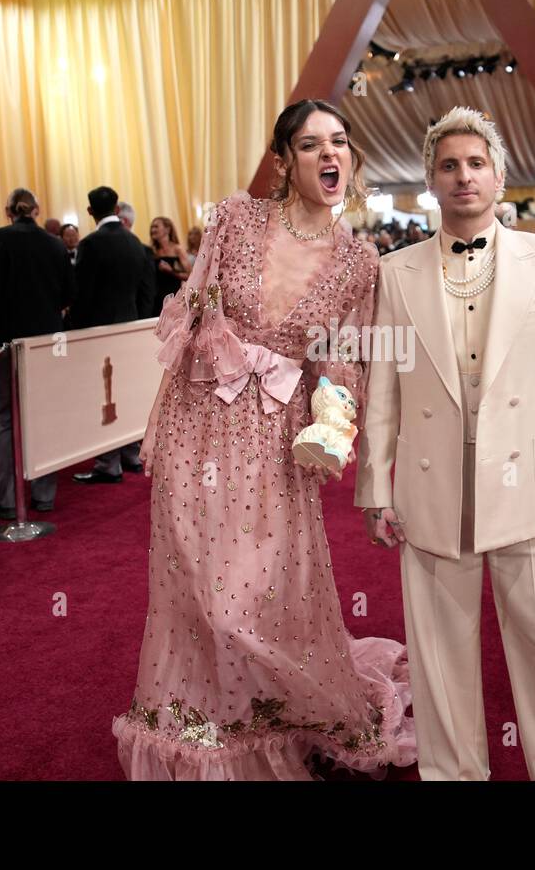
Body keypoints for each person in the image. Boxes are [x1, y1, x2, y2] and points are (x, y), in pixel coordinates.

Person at [113, 98, 417, 780]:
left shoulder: (358, 261)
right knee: (199, 593)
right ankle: (203, 727)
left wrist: (331, 426)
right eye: (310, 145)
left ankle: (276, 713)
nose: (329, 154)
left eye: (339, 141)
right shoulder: (236, 218)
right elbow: (191, 310)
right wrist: (220, 347)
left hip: (278, 441)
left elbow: (343, 359)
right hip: (203, 421)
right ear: (285, 161)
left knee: (258, 595)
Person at [357, 107, 535, 781]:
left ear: (498, 176)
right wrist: (376, 487)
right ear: (431, 182)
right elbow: (383, 390)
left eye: (475, 163)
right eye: (448, 165)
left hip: (523, 484)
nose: (463, 176)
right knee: (439, 658)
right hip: (432, 487)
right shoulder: (394, 271)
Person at [0, 188, 74, 519]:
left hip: (5, 343)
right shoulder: (55, 243)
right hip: (46, 344)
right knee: (43, 416)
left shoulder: (0, 240)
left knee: (5, 419)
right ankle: (45, 493)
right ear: (37, 210)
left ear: (8, 211)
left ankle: (8, 497)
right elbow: (67, 294)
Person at [68, 186, 154, 484]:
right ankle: (130, 453)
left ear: (90, 211)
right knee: (127, 391)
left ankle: (107, 462)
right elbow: (147, 292)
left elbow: (82, 294)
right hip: (130, 327)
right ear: (117, 209)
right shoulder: (136, 243)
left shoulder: (90, 244)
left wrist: (73, 331)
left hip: (98, 331)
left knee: (103, 394)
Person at [148, 216, 191, 316]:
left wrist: (171, 271)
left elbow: (190, 275)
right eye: (152, 227)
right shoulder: (151, 251)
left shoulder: (177, 250)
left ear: (167, 229)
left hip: (173, 299)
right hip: (156, 300)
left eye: (156, 227)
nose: (152, 230)